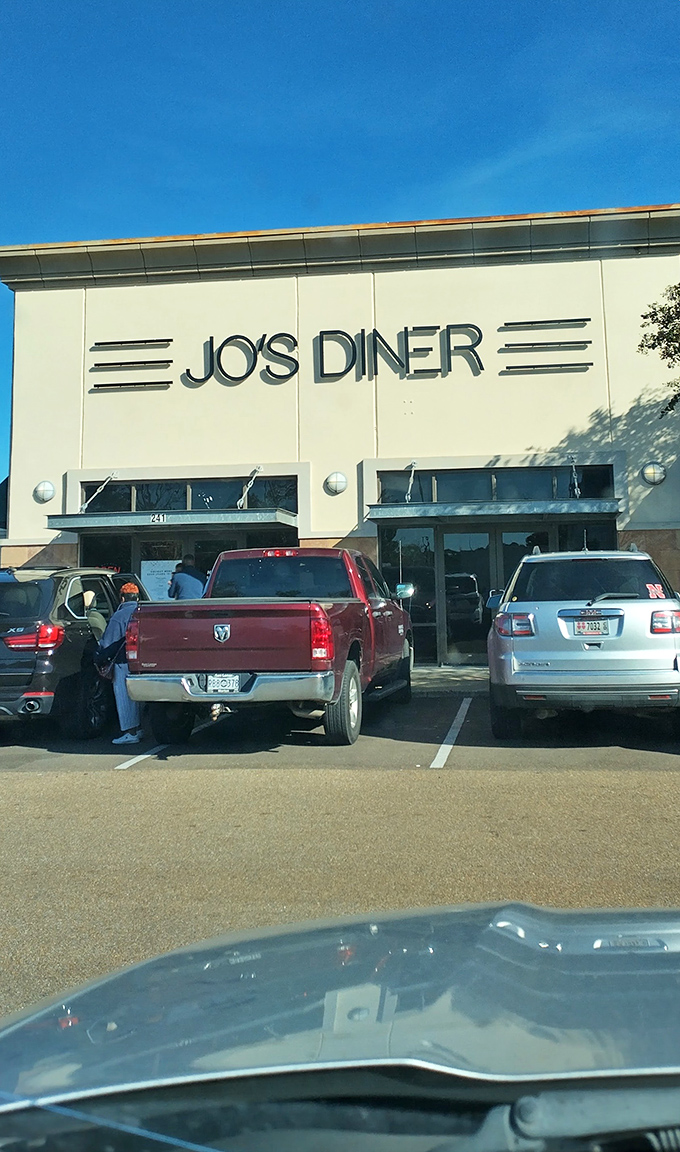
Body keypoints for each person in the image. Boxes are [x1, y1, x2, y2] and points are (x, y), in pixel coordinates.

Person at [95, 582, 142, 746]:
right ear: (137, 597)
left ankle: (130, 732)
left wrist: (99, 658)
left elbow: (108, 643)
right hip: (143, 663)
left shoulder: (119, 616)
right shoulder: (143, 612)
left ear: (122, 598)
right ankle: (139, 728)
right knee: (139, 699)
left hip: (123, 662)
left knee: (124, 698)